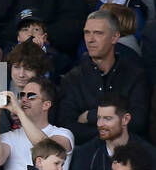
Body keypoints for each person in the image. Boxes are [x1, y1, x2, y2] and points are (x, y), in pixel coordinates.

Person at [59, 10, 150, 145]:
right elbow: (69, 127)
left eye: (98, 33)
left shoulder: (135, 75)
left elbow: (138, 122)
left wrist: (91, 116)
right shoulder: (72, 79)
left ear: (115, 37)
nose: (90, 39)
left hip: (129, 153)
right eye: (87, 32)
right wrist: (113, 127)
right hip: (87, 157)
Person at [0, 78, 75, 170]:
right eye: (22, 95)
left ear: (46, 105)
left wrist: (19, 111)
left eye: (31, 96)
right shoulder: (9, 136)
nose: (24, 100)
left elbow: (47, 147)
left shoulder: (63, 134)